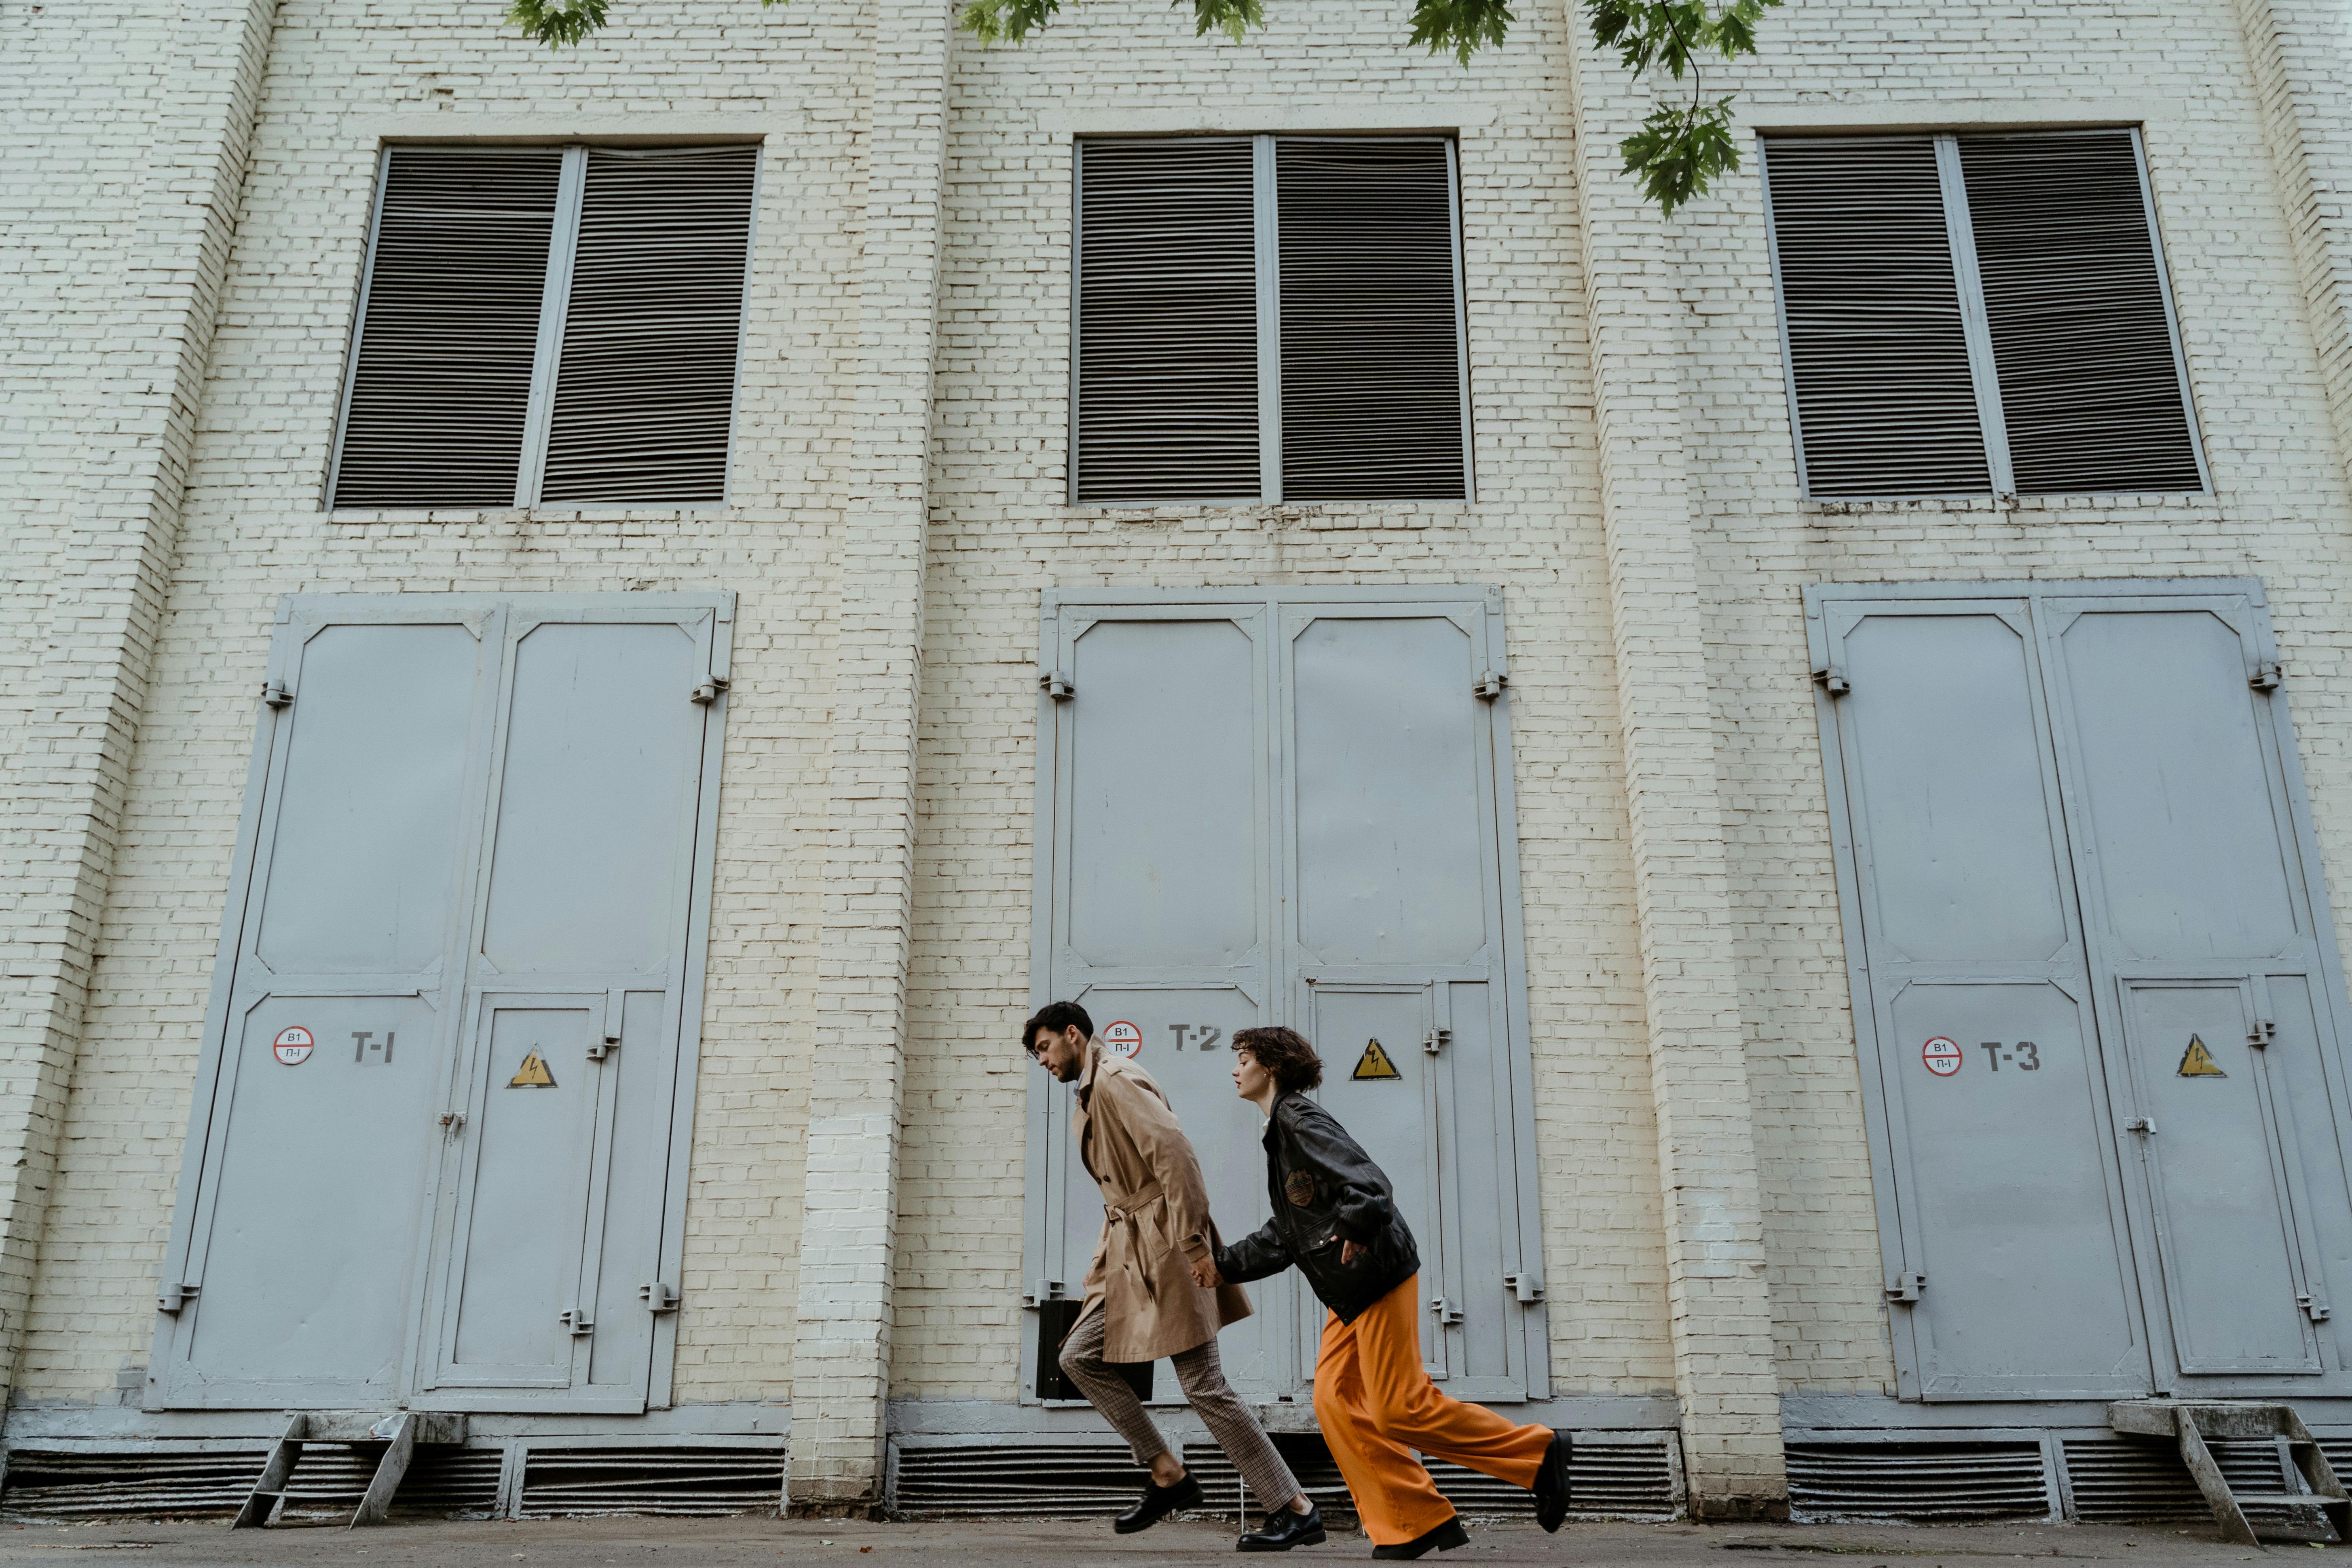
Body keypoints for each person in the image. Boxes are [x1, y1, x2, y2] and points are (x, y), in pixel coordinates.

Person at [1204, 1026, 1572, 1561]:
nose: (1235, 1069)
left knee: (1400, 1408)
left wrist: (1354, 1227)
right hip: (1347, 1289)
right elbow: (1289, 1231)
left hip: (1373, 1273)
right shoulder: (1281, 1129)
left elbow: (1369, 1186)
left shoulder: (1298, 1119)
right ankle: (1410, 1521)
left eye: (1242, 1058)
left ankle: (1537, 1453)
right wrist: (1221, 1265)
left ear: (1272, 1066)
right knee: (1334, 1403)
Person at [1025, 1001, 1327, 1553]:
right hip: (1128, 1249)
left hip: (1166, 1245)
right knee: (1077, 1357)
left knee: (1204, 1385)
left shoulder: (1115, 1081)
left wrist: (1193, 1247)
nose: (1041, 1059)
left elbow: (1176, 1158)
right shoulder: (1093, 1089)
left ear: (1073, 1034)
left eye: (1044, 1046)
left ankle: (1293, 1507)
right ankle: (1167, 1471)